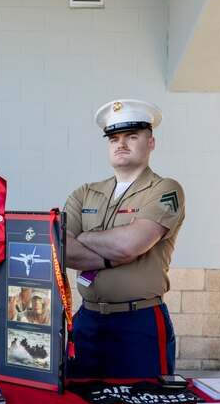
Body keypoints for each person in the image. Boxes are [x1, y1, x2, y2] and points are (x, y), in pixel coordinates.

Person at [63, 99, 185, 379]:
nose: (122, 144)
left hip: (138, 322)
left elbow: (133, 244)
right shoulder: (85, 192)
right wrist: (114, 253)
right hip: (87, 321)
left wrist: (84, 236)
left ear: (150, 143)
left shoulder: (165, 189)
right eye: (114, 138)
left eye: (132, 136)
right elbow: (63, 249)